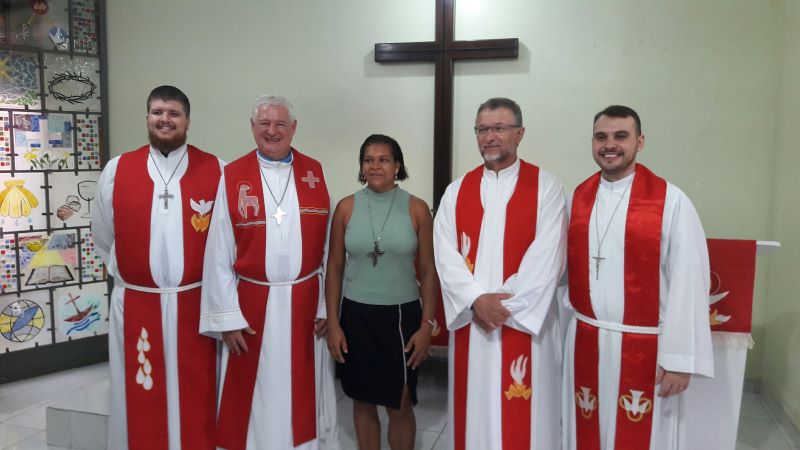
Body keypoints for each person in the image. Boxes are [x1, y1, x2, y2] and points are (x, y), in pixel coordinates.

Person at [562, 105, 714, 450]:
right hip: (586, 338)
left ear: (639, 142)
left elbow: (689, 281)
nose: (609, 145)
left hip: (647, 348)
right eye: (601, 137)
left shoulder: (671, 201)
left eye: (621, 136)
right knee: (586, 430)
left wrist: (679, 361)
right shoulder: (578, 198)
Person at [199, 94, 338, 450]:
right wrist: (227, 317)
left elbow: (327, 251)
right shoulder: (232, 175)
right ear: (252, 128)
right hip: (251, 304)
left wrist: (326, 307)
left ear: (294, 128)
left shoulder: (314, 172)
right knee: (252, 393)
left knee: (302, 388)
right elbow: (218, 251)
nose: (272, 131)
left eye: (280, 124)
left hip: (305, 301)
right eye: (264, 124)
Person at [92, 85, 223, 449]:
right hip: (139, 303)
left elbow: (225, 241)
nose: (165, 119)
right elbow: (104, 234)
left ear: (187, 121)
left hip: (194, 303)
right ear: (148, 118)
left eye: (174, 113)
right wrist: (136, 274)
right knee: (138, 388)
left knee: (196, 388)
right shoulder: (118, 169)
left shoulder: (216, 169)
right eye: (157, 112)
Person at [433, 97, 567, 450]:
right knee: (472, 415)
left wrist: (501, 306)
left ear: (519, 133)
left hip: (524, 326)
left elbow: (547, 258)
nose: (489, 137)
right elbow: (445, 256)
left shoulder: (547, 188)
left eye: (499, 128)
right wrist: (476, 300)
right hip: (473, 325)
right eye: (482, 129)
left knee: (528, 422)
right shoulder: (456, 191)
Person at [325, 134, 439, 450]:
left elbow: (429, 272)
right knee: (362, 400)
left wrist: (427, 325)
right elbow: (334, 268)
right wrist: (334, 323)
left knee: (399, 402)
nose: (375, 166)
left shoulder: (416, 209)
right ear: (361, 166)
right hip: (356, 315)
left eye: (383, 159)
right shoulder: (346, 208)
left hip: (401, 316)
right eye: (368, 160)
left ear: (397, 165)